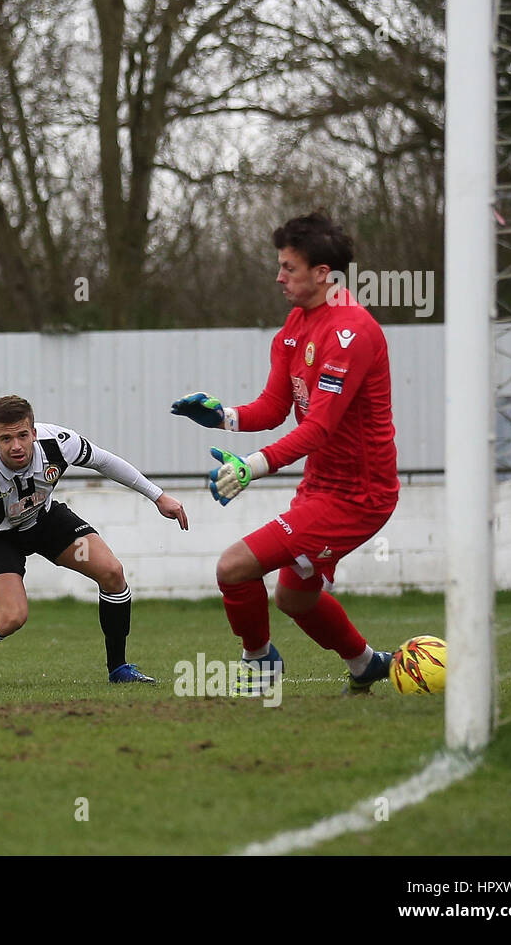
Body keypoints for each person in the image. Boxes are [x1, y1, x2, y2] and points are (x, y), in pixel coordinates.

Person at [170, 210, 398, 696]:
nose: (279, 277)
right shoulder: (296, 325)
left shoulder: (351, 332)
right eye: (280, 265)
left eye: (289, 268)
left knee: (233, 567)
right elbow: (275, 407)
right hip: (321, 486)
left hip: (359, 496)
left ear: (322, 273)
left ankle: (259, 664)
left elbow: (318, 427)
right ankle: (366, 664)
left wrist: (251, 466)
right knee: (295, 597)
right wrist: (224, 417)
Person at [0, 395, 188, 687]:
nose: (17, 446)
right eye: (6, 438)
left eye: (23, 435)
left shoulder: (59, 442)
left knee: (112, 572)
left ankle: (119, 669)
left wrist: (158, 496)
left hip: (46, 524)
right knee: (12, 616)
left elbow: (104, 461)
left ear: (34, 432)